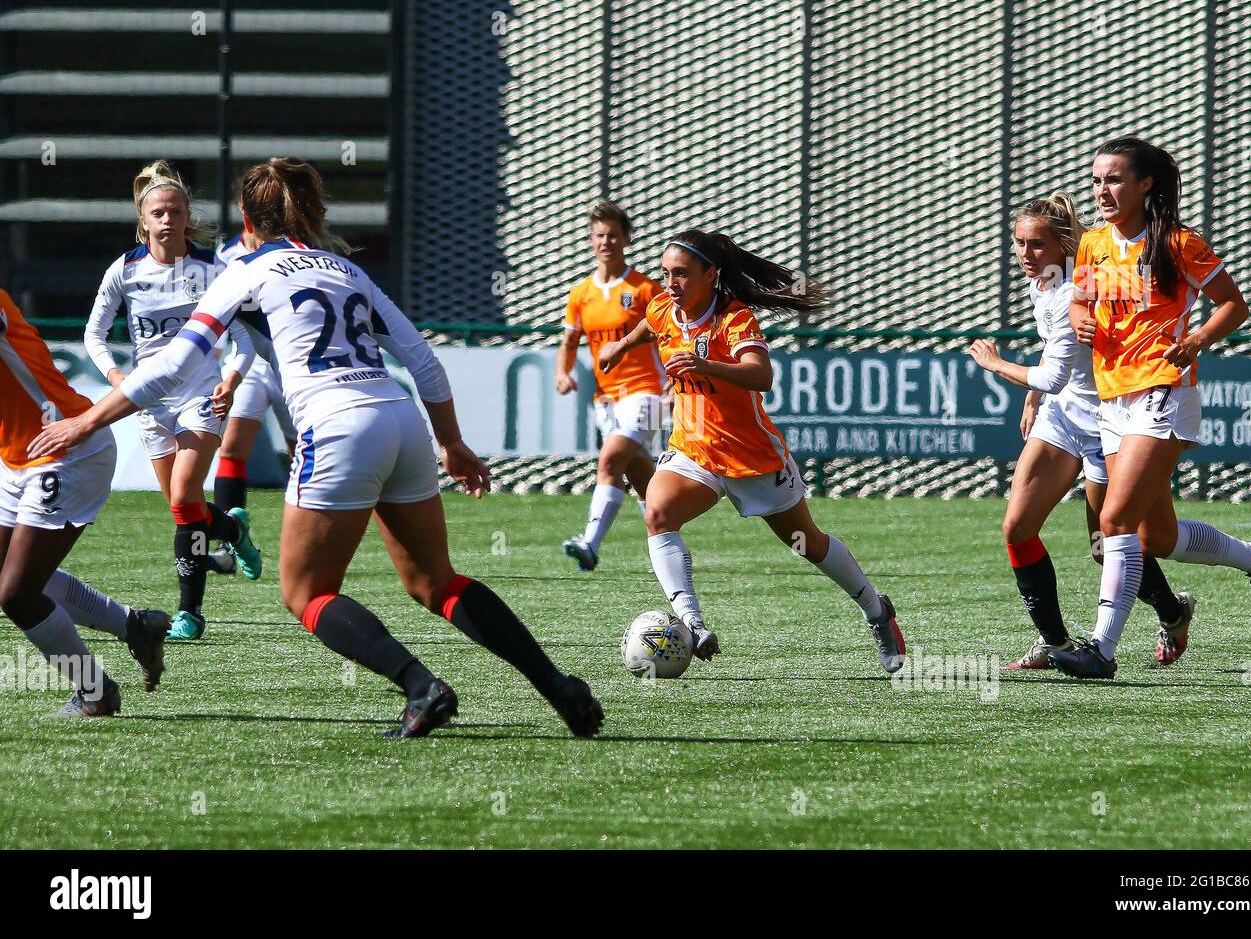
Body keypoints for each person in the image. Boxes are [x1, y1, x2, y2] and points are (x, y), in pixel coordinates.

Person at [33, 157, 603, 738]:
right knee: (436, 582)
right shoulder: (344, 269)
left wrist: (86, 423)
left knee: (305, 591)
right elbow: (424, 362)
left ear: (247, 220)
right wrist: (451, 442)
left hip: (337, 426)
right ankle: (558, 685)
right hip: (400, 417)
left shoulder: (243, 268)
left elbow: (173, 366)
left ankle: (420, 687)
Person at [598, 229, 906, 672]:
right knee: (657, 513)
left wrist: (705, 365)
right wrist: (621, 345)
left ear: (711, 274)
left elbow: (761, 375)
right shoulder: (665, 307)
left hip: (753, 458)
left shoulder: (733, 318)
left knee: (808, 544)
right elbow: (652, 321)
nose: (670, 283)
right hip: (694, 450)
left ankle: (877, 611)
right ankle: (693, 624)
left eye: (681, 274)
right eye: (665, 273)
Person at [1053, 136, 1251, 678]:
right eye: (1096, 179)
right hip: (1112, 396)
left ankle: (1102, 649)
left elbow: (1234, 304)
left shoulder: (1180, 243)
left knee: (1114, 517)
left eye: (1114, 179)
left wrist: (1199, 338)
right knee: (1155, 537)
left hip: (1164, 389)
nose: (1102, 190)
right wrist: (1076, 319)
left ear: (1145, 184)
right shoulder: (1092, 244)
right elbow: (1083, 302)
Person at [966, 192, 1193, 669]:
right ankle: (1056, 643)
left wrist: (995, 364)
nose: (1027, 255)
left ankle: (1173, 610)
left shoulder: (1075, 289)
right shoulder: (1043, 286)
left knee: (1105, 546)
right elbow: (1052, 363)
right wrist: (1034, 398)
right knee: (1016, 526)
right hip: (1064, 418)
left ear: (1065, 246)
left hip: (1107, 425)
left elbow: (1051, 374)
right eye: (1020, 244)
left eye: (1039, 246)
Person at [84, 160, 262, 641]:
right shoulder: (124, 270)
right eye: (157, 213)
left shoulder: (213, 270)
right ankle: (233, 531)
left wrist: (231, 379)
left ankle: (190, 613)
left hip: (200, 396)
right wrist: (122, 380)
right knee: (186, 510)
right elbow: (94, 335)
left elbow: (244, 338)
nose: (167, 219)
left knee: (185, 498)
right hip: (150, 404)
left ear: (187, 217)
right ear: (142, 220)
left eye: (175, 211)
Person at [1, 287, 171, 716]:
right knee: (10, 578)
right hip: (18, 456)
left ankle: (95, 691)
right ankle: (135, 625)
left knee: (17, 593)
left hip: (68, 450)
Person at [556, 200, 664, 570]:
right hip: (606, 399)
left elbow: (668, 335)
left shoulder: (646, 288)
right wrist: (563, 372)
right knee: (641, 479)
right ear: (591, 240)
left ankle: (589, 544)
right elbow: (569, 343)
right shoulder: (580, 294)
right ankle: (668, 537)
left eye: (614, 235)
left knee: (609, 460)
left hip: (646, 391)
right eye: (600, 235)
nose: (607, 242)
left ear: (627, 239)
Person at [210, 225, 297, 570]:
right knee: (231, 449)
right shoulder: (225, 256)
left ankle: (302, 547)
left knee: (302, 454)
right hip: (248, 363)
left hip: (292, 363)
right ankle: (228, 548)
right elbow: (220, 312)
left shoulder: (295, 250)